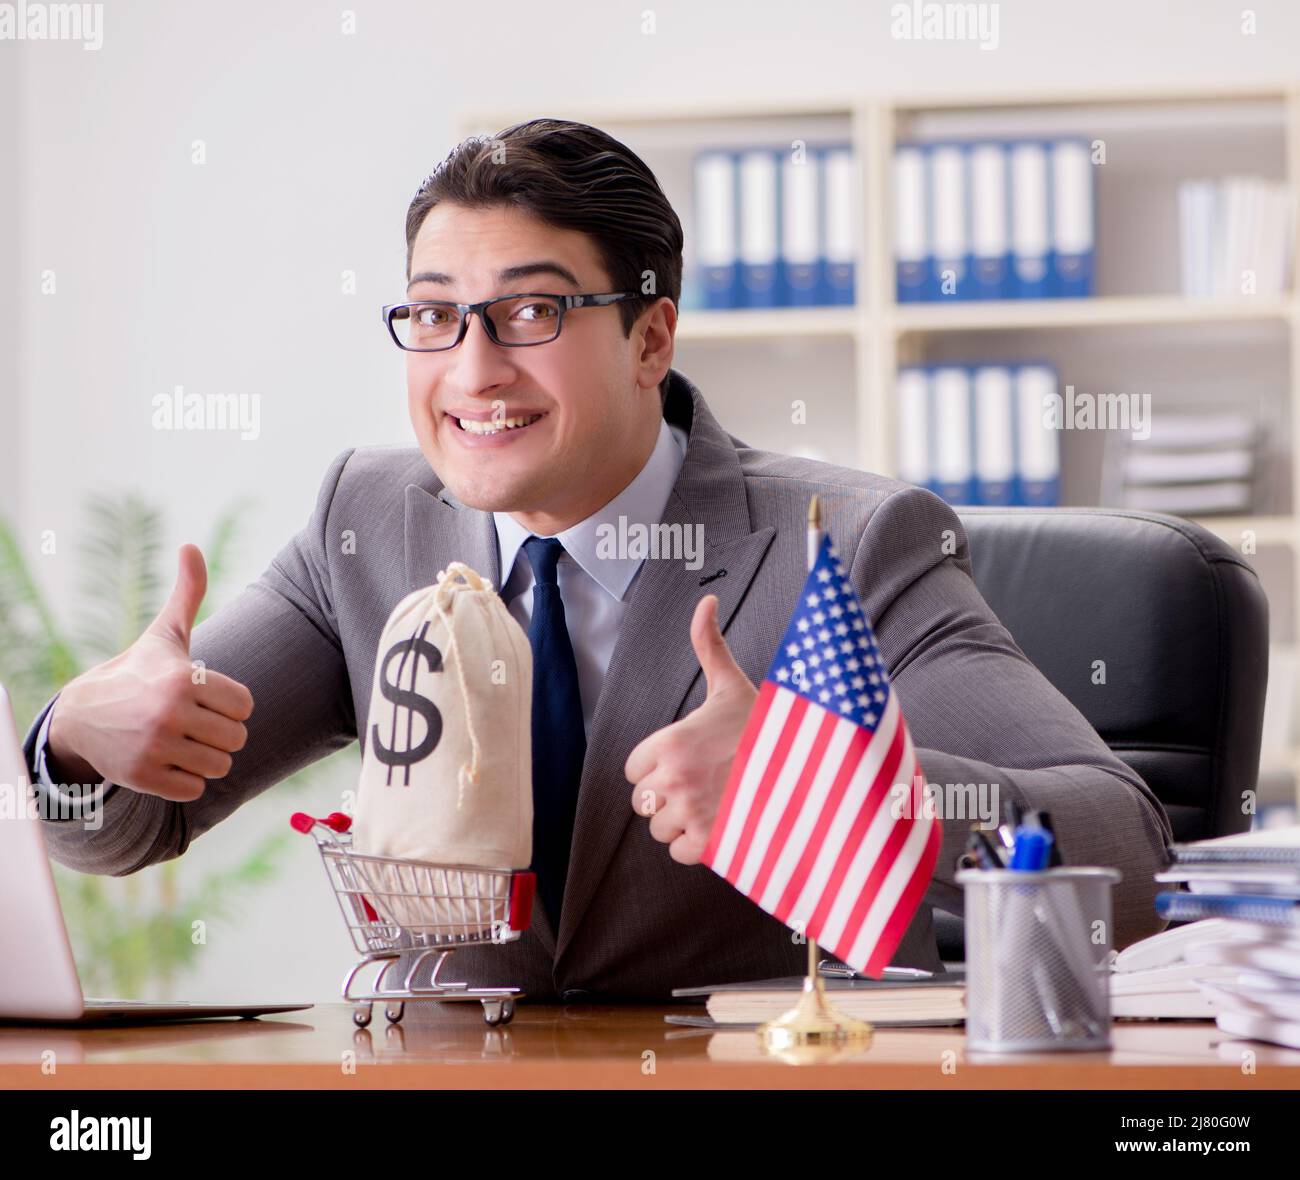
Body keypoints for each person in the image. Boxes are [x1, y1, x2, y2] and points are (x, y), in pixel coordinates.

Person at [22, 119, 1172, 1001]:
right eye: (434, 316)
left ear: (650, 337)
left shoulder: (849, 541)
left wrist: (821, 783)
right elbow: (129, 827)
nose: (471, 371)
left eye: (529, 313)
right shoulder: (366, 521)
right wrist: (79, 738)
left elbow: (1124, 851)